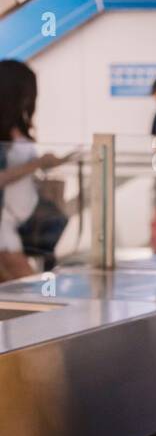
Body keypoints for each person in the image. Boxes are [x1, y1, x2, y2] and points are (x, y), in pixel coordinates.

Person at [0, 60, 72, 280]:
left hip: (20, 221)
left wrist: (47, 165)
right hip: (4, 224)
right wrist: (38, 163)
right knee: (27, 290)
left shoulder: (15, 128)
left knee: (19, 292)